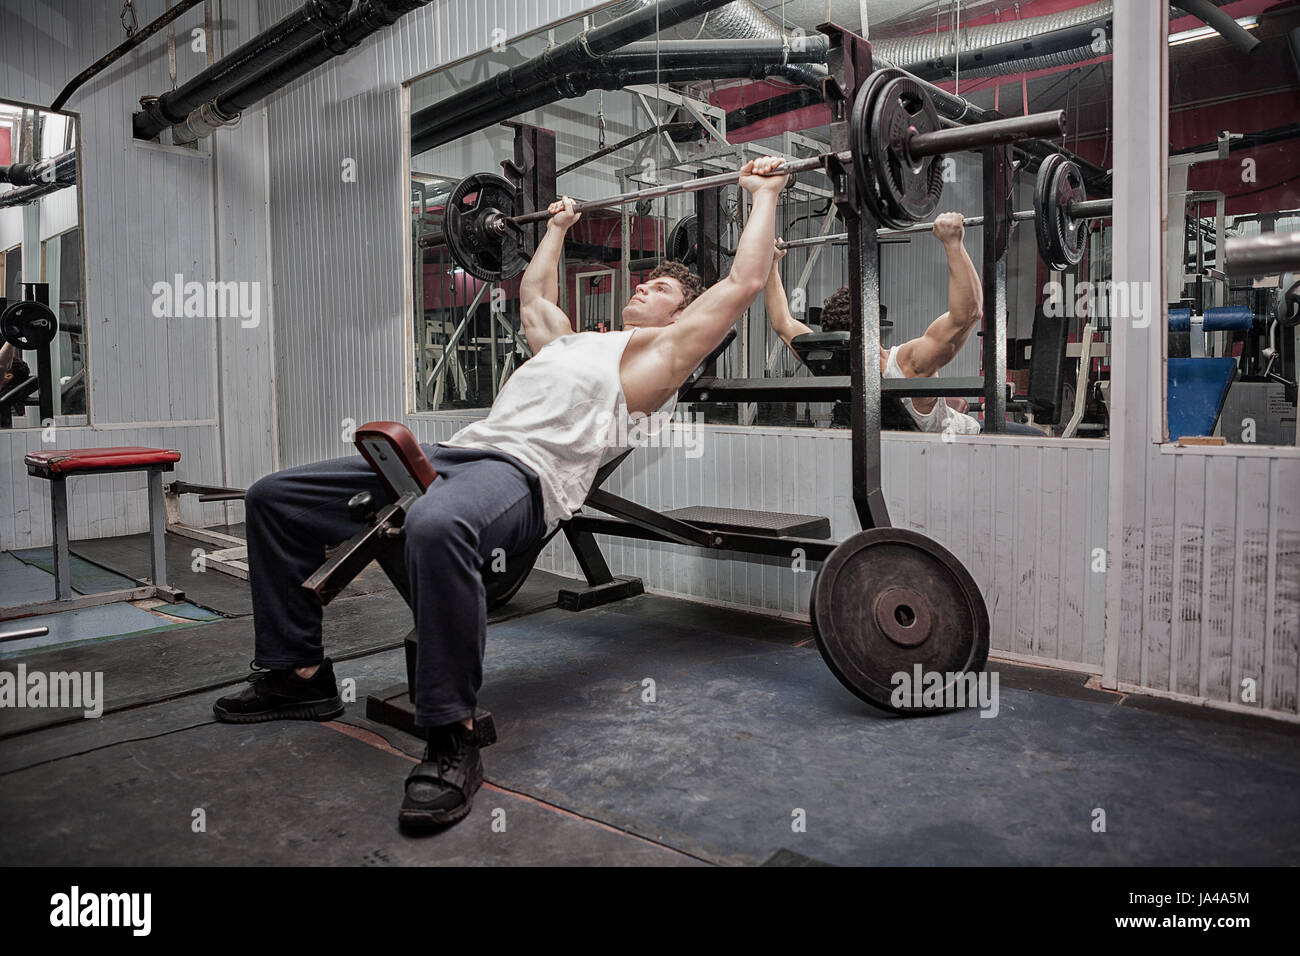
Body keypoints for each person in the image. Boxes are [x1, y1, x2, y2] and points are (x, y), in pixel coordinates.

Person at [212, 156, 791, 831]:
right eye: (648, 277)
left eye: (661, 284)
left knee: (433, 527)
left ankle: (451, 735)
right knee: (273, 497)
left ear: (682, 314)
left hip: (520, 476)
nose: (645, 285)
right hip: (455, 452)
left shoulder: (661, 356)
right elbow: (534, 296)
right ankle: (298, 674)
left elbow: (745, 280)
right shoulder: (572, 343)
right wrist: (557, 226)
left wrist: (764, 194)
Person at [764, 211, 984, 435]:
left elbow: (782, 323)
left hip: (970, 437)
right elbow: (969, 313)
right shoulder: (910, 364)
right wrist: (952, 243)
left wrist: (772, 265)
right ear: (874, 329)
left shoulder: (830, 363)